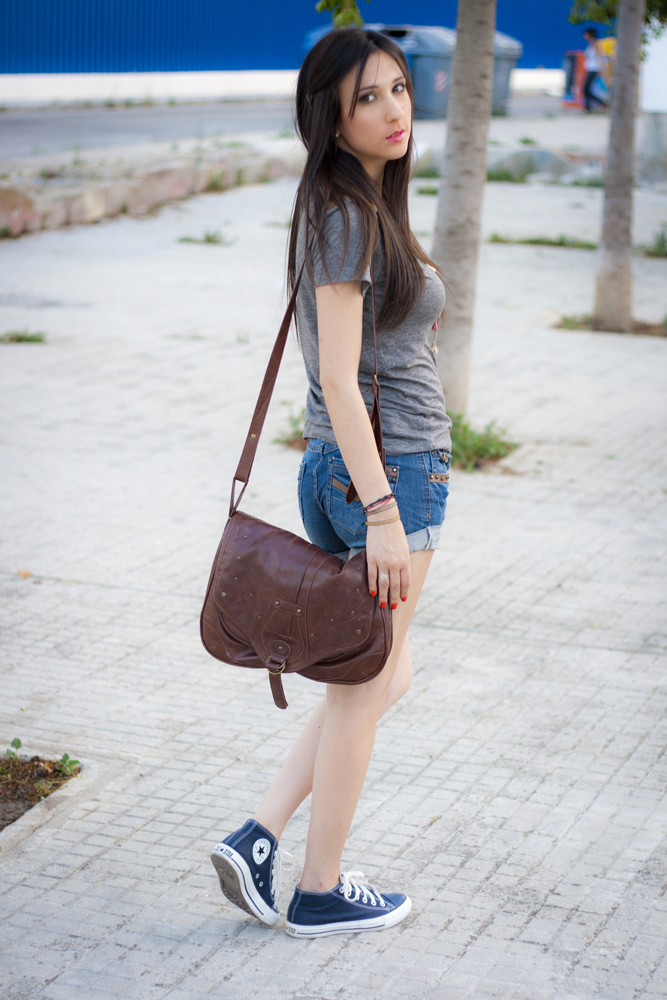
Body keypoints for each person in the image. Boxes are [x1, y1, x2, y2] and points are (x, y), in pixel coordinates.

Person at [210, 27, 452, 939]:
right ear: (331, 118)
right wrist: (385, 512)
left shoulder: (349, 205)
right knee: (363, 686)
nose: (393, 110)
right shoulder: (348, 212)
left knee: (384, 672)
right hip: (388, 475)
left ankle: (258, 835)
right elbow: (342, 380)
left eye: (398, 88)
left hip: (343, 469)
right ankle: (318, 890)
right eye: (366, 99)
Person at [582, 27, 608, 112]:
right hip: (590, 68)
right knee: (587, 89)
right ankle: (588, 107)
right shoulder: (590, 45)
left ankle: (602, 103)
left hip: (595, 69)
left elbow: (601, 58)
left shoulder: (596, 45)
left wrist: (603, 70)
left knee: (586, 89)